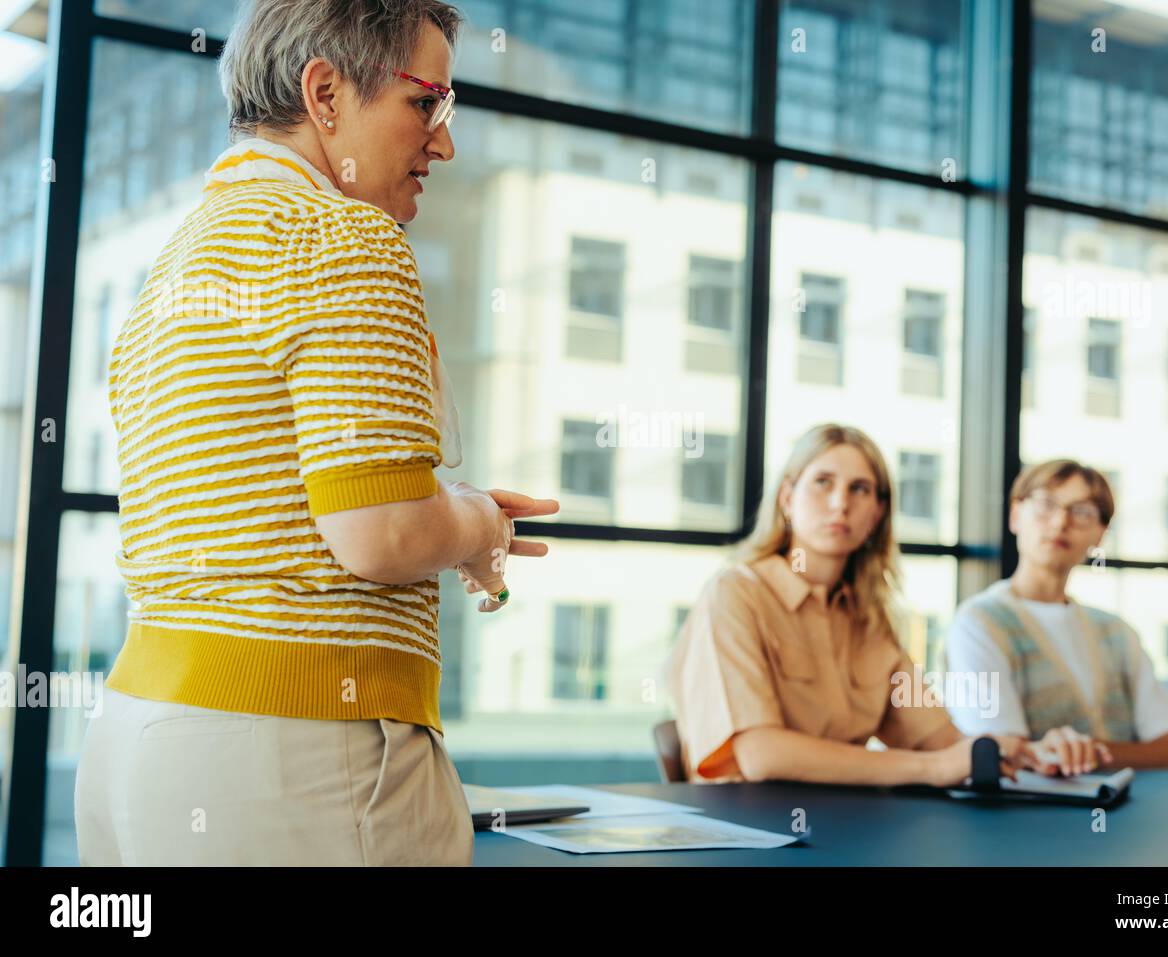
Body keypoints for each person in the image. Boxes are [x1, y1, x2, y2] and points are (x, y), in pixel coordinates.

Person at [75, 0, 557, 866]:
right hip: (296, 753)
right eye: (427, 104)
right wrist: (478, 522)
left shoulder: (177, 262)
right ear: (325, 92)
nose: (444, 144)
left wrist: (436, 510)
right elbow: (381, 535)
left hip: (140, 741)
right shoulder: (343, 237)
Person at [664, 423, 1064, 787]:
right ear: (787, 497)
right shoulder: (735, 593)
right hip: (748, 832)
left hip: (841, 823)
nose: (840, 503)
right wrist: (934, 769)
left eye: (859, 489)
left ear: (876, 514)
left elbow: (940, 740)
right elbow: (760, 755)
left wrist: (1027, 752)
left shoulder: (869, 615)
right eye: (823, 482)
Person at [945, 459, 1168, 772]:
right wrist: (1120, 754)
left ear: (1100, 534)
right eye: (1046, 505)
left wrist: (1082, 752)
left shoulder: (1116, 632)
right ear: (1015, 515)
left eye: (1081, 512)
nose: (1060, 522)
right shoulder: (980, 623)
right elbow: (1007, 757)